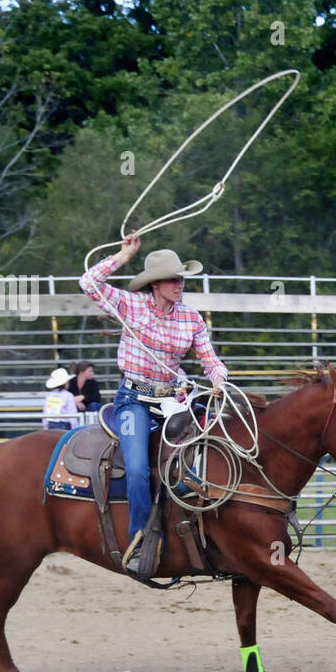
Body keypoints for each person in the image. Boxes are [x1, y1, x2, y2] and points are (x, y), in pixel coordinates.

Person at [79, 232, 227, 577]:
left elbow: (210, 360)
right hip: (134, 400)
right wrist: (124, 255)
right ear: (155, 284)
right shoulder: (129, 305)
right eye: (174, 279)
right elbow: (88, 282)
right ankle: (140, 540)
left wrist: (219, 379)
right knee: (137, 470)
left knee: (197, 466)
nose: (180, 284)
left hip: (174, 401)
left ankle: (189, 540)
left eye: (181, 279)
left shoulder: (191, 318)